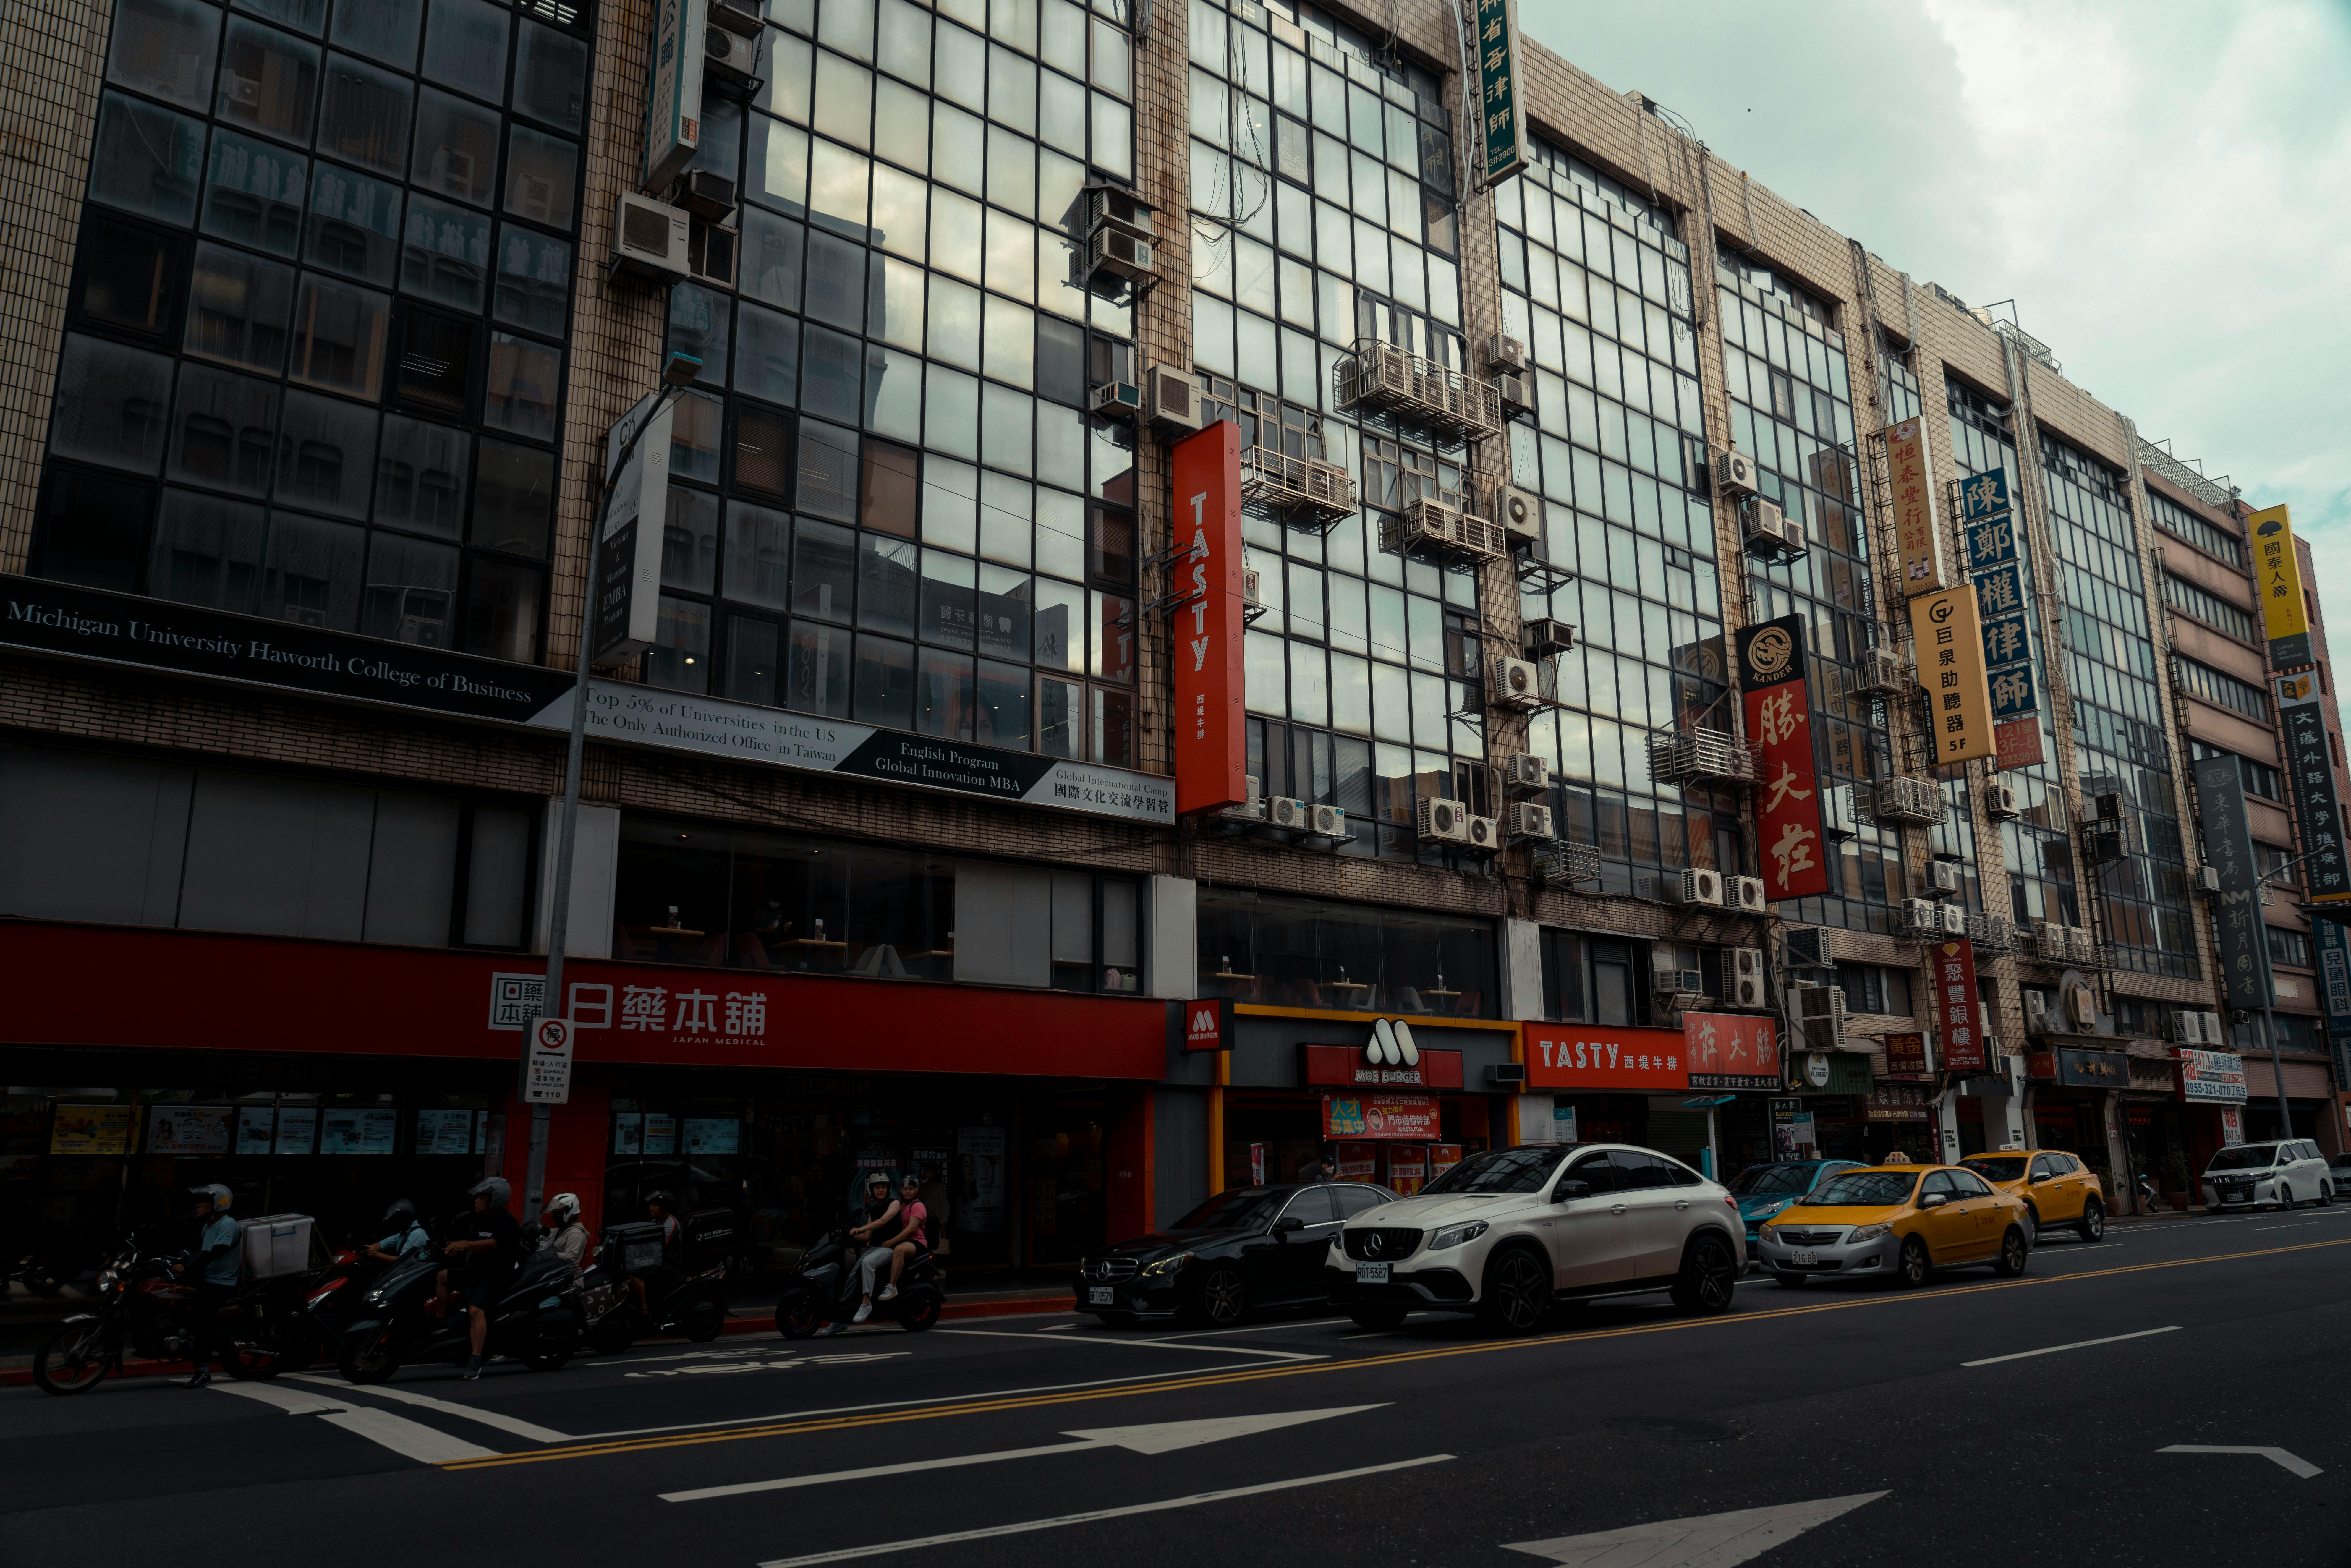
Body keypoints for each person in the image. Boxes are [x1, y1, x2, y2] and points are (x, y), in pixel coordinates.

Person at [436, 1177, 520, 1380]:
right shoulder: (482, 1220)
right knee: (442, 1277)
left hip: (495, 1275)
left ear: (496, 1200)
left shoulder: (507, 1221)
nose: (477, 1201)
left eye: (482, 1198)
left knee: (476, 1311)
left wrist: (464, 1245)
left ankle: (475, 1360)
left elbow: (492, 1244)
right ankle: (440, 1321)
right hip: (476, 1270)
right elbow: (472, 1241)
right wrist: (450, 1245)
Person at [173, 1183, 241, 1389]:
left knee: (204, 1321)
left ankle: (204, 1371)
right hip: (208, 1280)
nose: (198, 1206)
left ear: (218, 1204)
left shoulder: (228, 1224)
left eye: (203, 1202)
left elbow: (217, 1251)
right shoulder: (208, 1226)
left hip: (222, 1283)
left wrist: (189, 1267)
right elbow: (201, 1252)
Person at [846, 1172, 901, 1324]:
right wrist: (849, 1234)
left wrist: (862, 1227)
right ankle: (842, 1316)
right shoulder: (874, 1210)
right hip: (875, 1248)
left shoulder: (895, 1203)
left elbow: (883, 1221)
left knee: (868, 1263)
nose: (881, 1190)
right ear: (872, 1191)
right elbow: (867, 1237)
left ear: (888, 1189)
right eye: (877, 1187)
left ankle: (866, 1303)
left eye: (884, 1187)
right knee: (852, 1277)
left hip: (889, 1248)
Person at [627, 1191, 684, 1319]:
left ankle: (645, 1310)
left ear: (664, 1207)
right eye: (651, 1205)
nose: (651, 1208)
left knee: (642, 1279)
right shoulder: (655, 1222)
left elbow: (658, 1246)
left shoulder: (671, 1224)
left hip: (669, 1265)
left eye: (655, 1205)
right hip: (656, 1261)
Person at [878, 1173, 928, 1302]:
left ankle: (892, 1286)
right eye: (905, 1189)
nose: (908, 1192)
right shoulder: (901, 1206)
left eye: (911, 1189)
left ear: (917, 1190)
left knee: (899, 1250)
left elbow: (911, 1229)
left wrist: (892, 1242)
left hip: (917, 1242)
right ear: (900, 1190)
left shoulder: (918, 1206)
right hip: (905, 1241)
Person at [365, 1199, 430, 1264]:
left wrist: (377, 1255)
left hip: (416, 1271)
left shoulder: (416, 1234)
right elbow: (383, 1244)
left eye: (397, 1220)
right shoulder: (406, 1233)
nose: (395, 1223)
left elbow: (402, 1261)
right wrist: (362, 1251)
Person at [540, 1193, 589, 1277]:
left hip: (568, 1276)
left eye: (559, 1214)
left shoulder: (576, 1233)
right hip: (555, 1272)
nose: (554, 1217)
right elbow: (550, 1249)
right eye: (554, 1214)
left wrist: (551, 1255)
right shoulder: (560, 1231)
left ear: (570, 1211)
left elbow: (570, 1256)